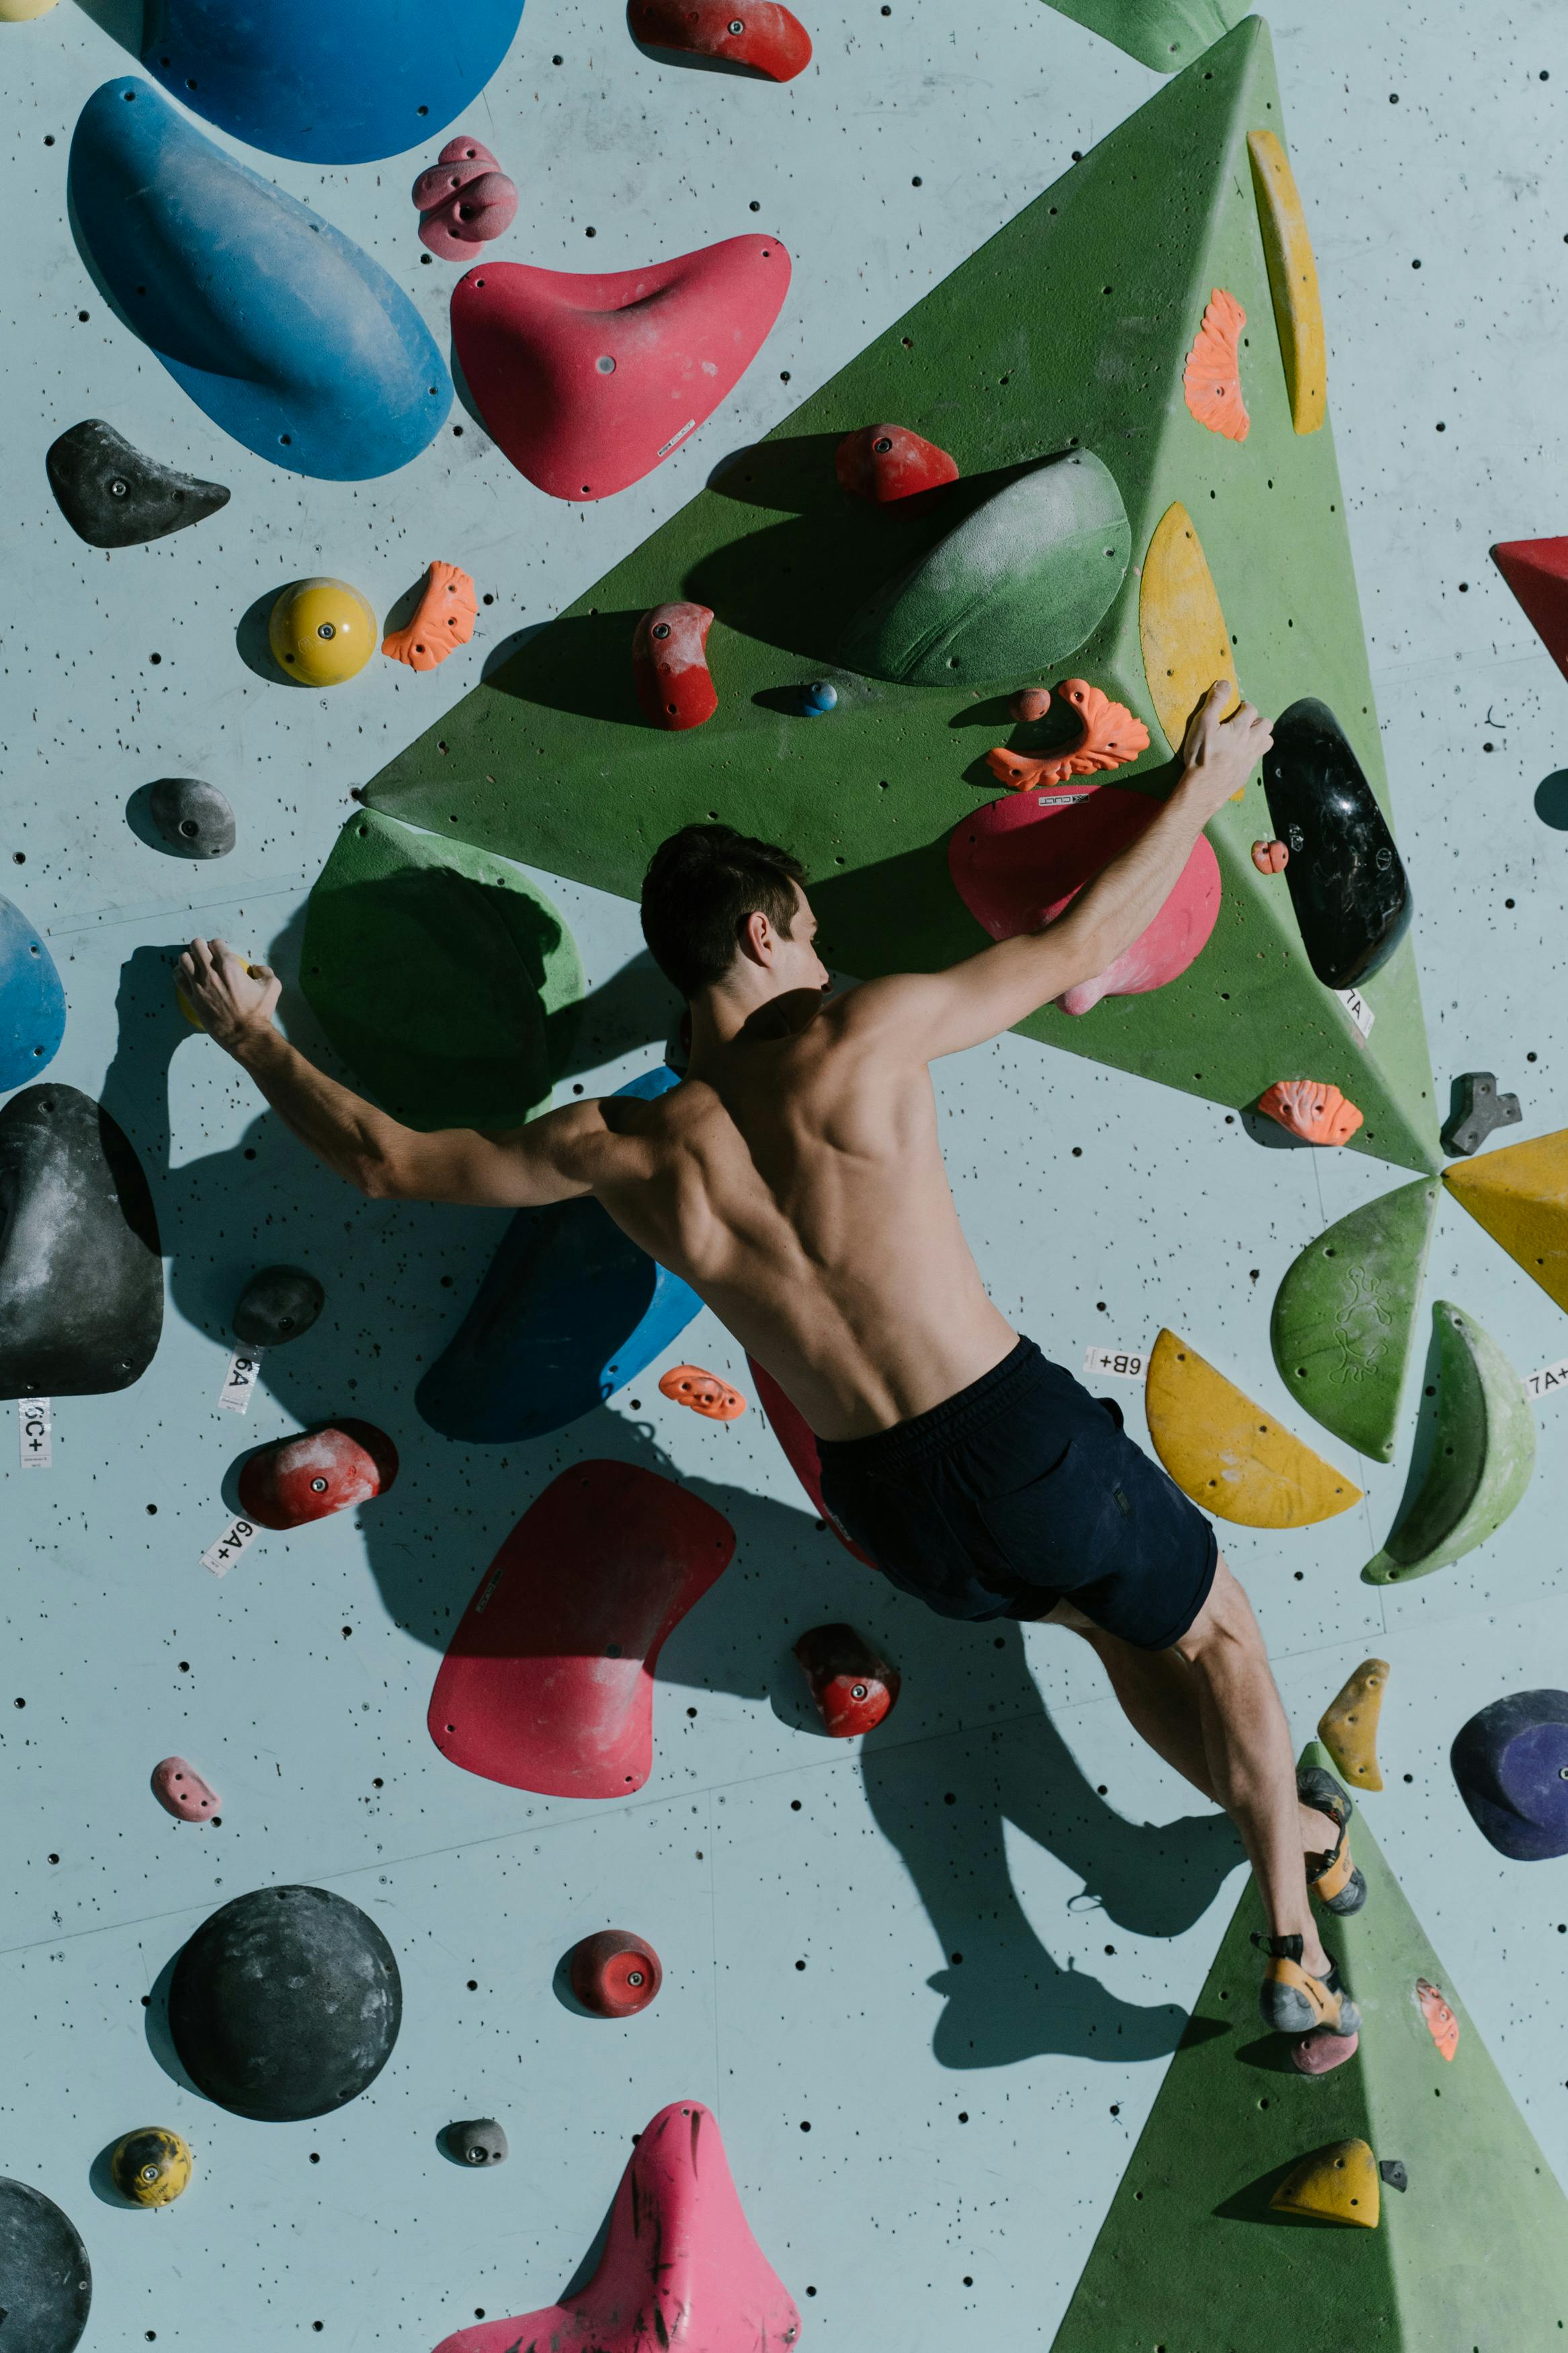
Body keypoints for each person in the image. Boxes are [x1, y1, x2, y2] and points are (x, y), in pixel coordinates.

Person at [180, 680, 1362, 2041]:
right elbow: (1082, 931)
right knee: (1221, 1634)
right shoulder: (861, 1036)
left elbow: (382, 1163)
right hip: (1007, 1429)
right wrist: (1201, 787)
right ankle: (1293, 1942)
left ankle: (1295, 1832)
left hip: (892, 1513)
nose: (820, 957)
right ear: (763, 932)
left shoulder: (616, 1148)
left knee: (1117, 1633)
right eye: (809, 935)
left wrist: (251, 1033)